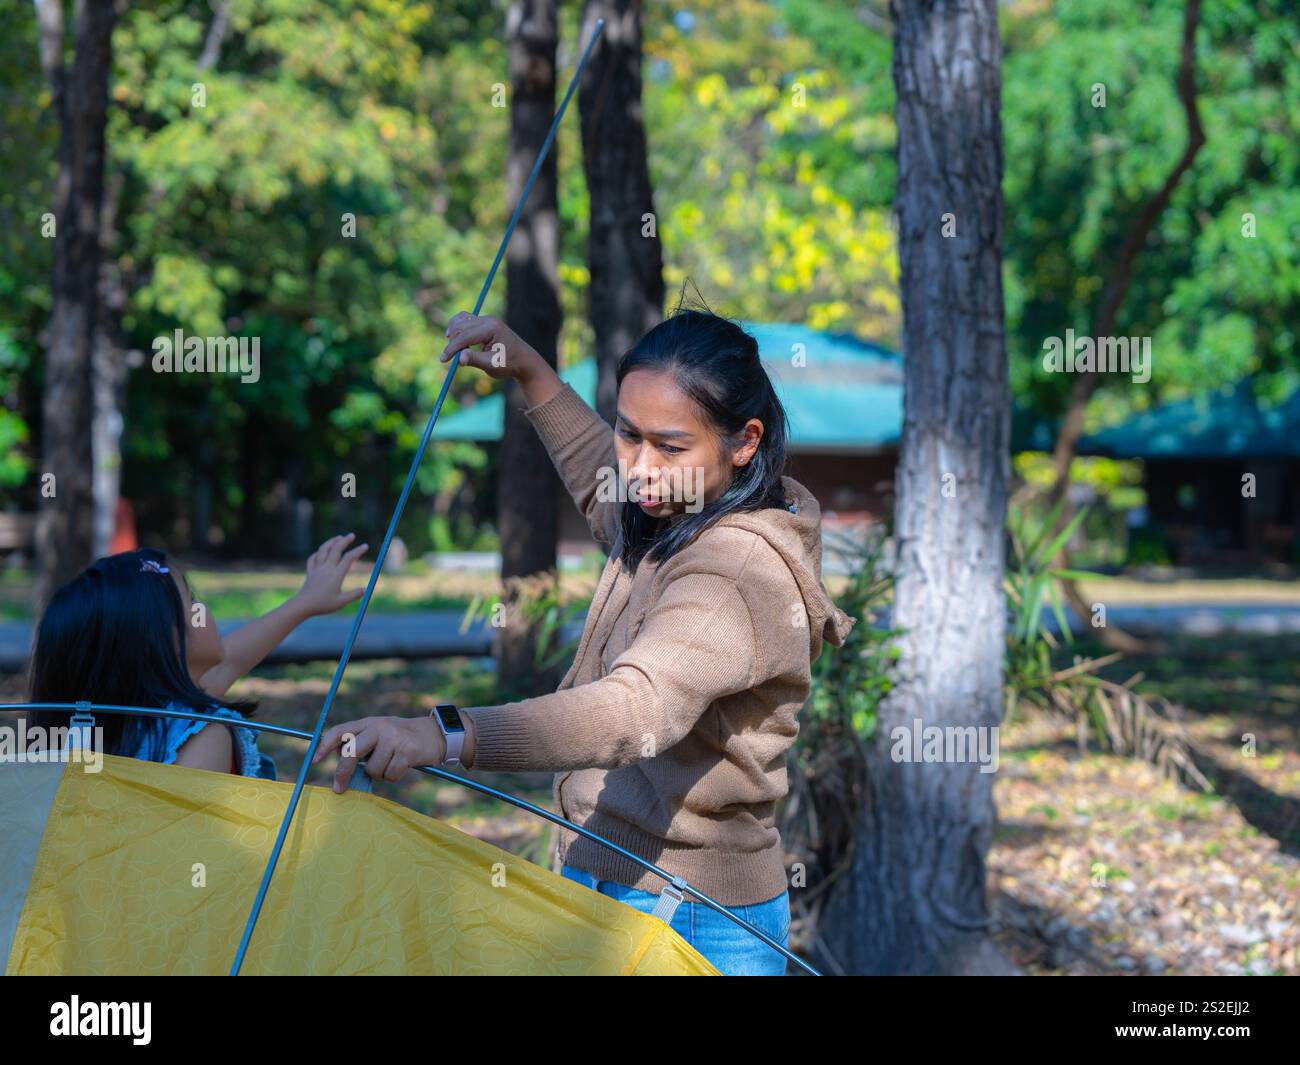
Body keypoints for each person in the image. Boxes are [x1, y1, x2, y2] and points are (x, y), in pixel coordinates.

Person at [314, 305, 856, 975]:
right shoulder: (676, 506)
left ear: (746, 440)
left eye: (669, 445)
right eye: (630, 434)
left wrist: (447, 733)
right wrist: (530, 369)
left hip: (689, 912)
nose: (639, 467)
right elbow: (597, 467)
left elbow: (635, 709)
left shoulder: (734, 570)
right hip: (615, 880)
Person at [30, 537, 368, 778]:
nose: (202, 609)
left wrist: (305, 602)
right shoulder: (200, 734)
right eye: (191, 602)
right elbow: (187, 854)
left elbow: (232, 658)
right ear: (161, 644)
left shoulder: (124, 722)